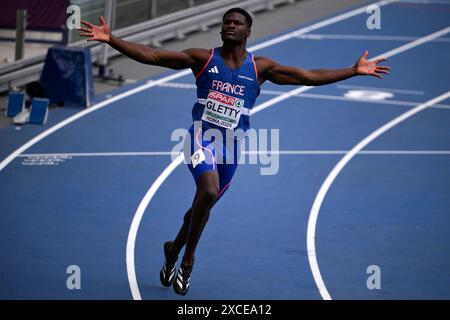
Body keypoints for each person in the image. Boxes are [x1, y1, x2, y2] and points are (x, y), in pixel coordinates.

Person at [79, 7, 390, 296]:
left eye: (237, 23)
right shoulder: (202, 58)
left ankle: (172, 249)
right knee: (209, 192)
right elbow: (154, 56)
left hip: (231, 148)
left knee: (200, 207)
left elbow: (307, 77)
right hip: (200, 138)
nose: (230, 25)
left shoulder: (261, 68)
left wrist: (353, 70)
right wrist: (111, 39)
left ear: (248, 32)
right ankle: (188, 260)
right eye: (226, 22)